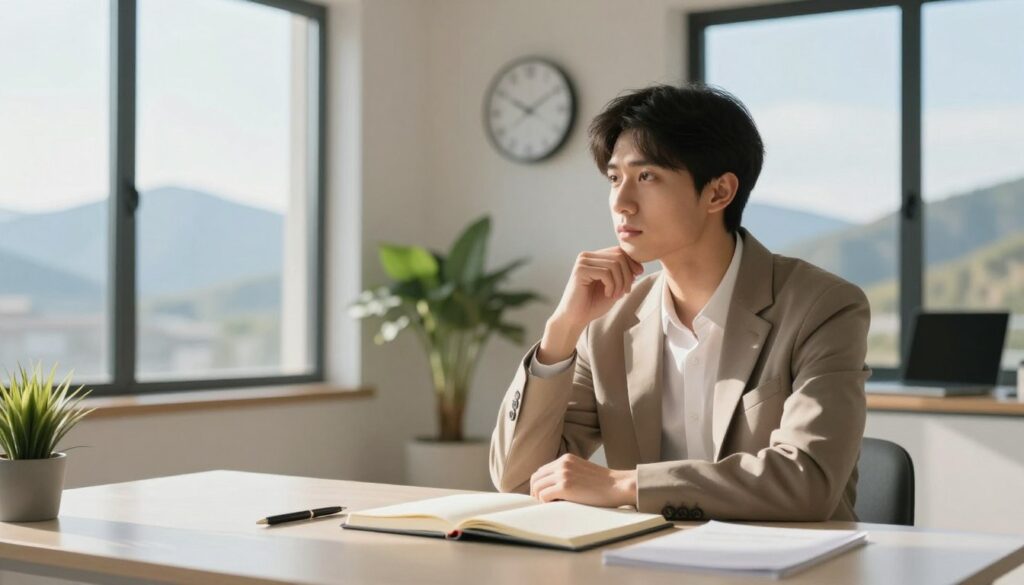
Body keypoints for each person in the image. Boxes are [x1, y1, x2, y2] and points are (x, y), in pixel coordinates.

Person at [488, 83, 871, 522]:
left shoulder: (823, 307)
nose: (621, 202)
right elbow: (520, 479)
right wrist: (561, 332)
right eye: (615, 178)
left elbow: (807, 482)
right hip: (643, 562)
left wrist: (624, 485)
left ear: (718, 192)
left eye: (646, 176)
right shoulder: (610, 320)